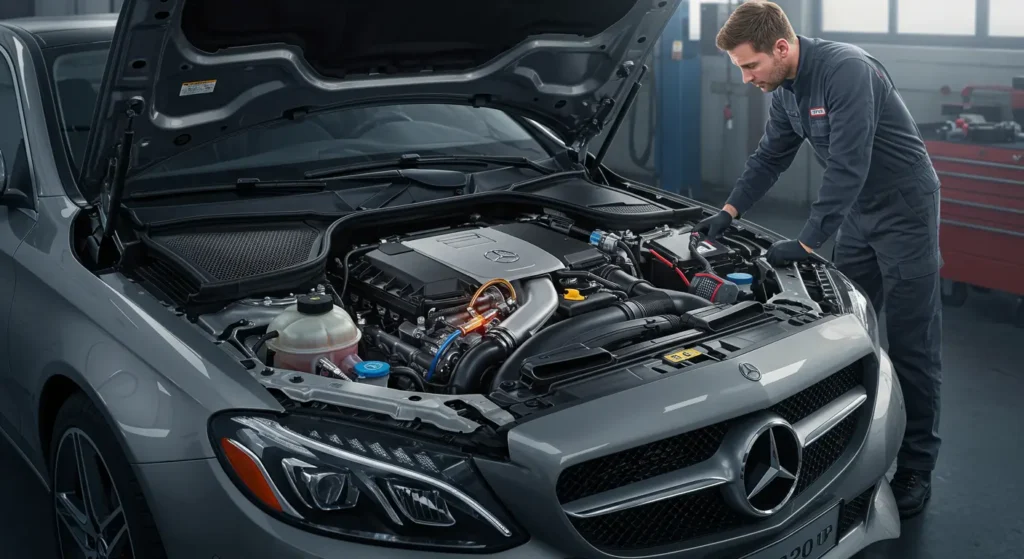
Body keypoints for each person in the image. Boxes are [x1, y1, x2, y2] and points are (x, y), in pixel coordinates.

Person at [697, 0, 942, 519]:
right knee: (848, 332)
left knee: (912, 341)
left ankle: (917, 467)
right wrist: (729, 210)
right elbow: (770, 156)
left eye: (749, 65)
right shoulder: (783, 90)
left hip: (903, 210)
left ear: (781, 48)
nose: (745, 78)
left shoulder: (846, 70)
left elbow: (850, 165)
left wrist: (807, 242)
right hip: (856, 215)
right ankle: (846, 449)